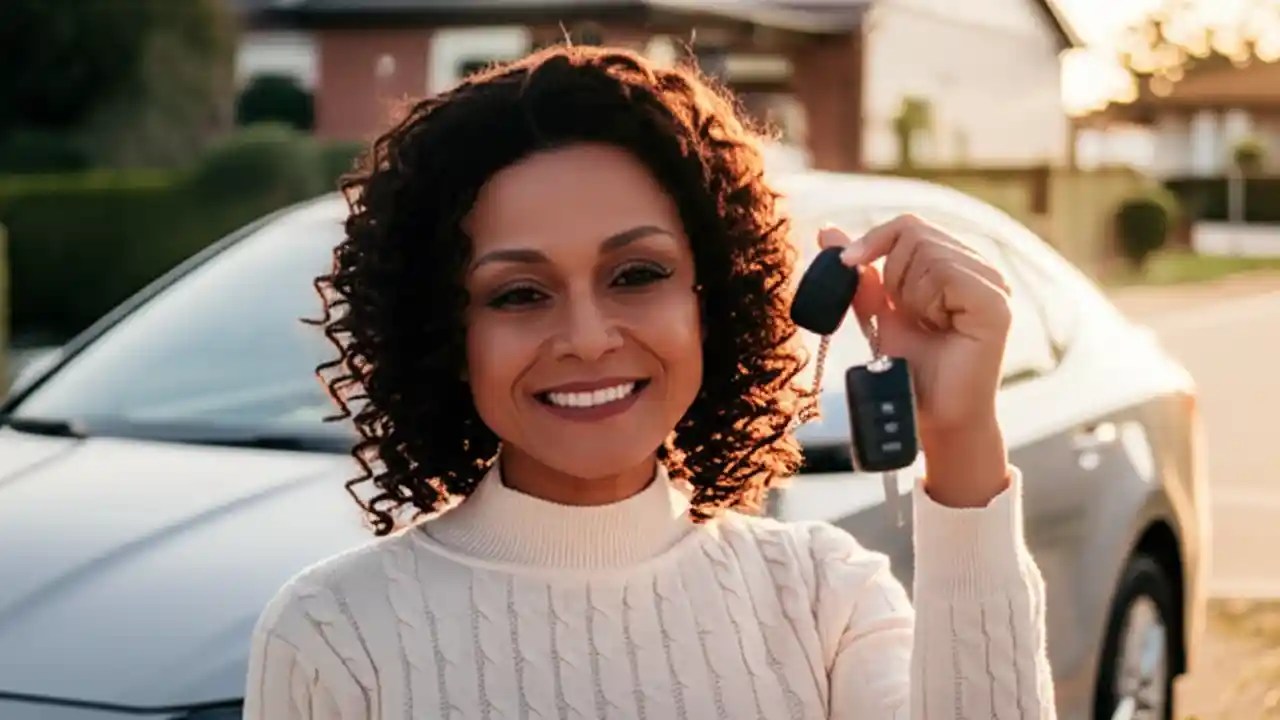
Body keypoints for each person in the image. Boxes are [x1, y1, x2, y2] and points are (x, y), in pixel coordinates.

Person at [244, 43, 1055, 719]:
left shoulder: (823, 600)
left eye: (637, 274)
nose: (588, 338)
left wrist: (961, 437)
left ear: (714, 298)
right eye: (519, 294)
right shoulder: (334, 637)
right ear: (448, 334)